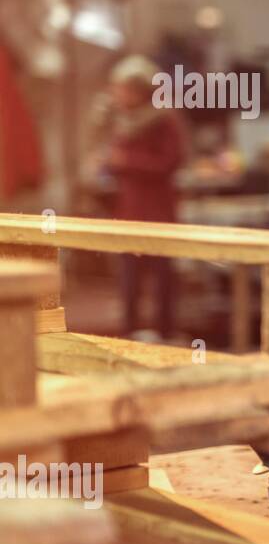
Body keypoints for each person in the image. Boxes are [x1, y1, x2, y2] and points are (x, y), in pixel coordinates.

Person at [101, 55, 187, 338]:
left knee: (162, 277)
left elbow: (168, 162)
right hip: (130, 210)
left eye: (123, 89)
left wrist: (125, 161)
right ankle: (129, 333)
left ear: (139, 90)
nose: (118, 95)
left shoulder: (164, 120)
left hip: (158, 210)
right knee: (129, 278)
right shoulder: (124, 121)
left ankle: (165, 332)